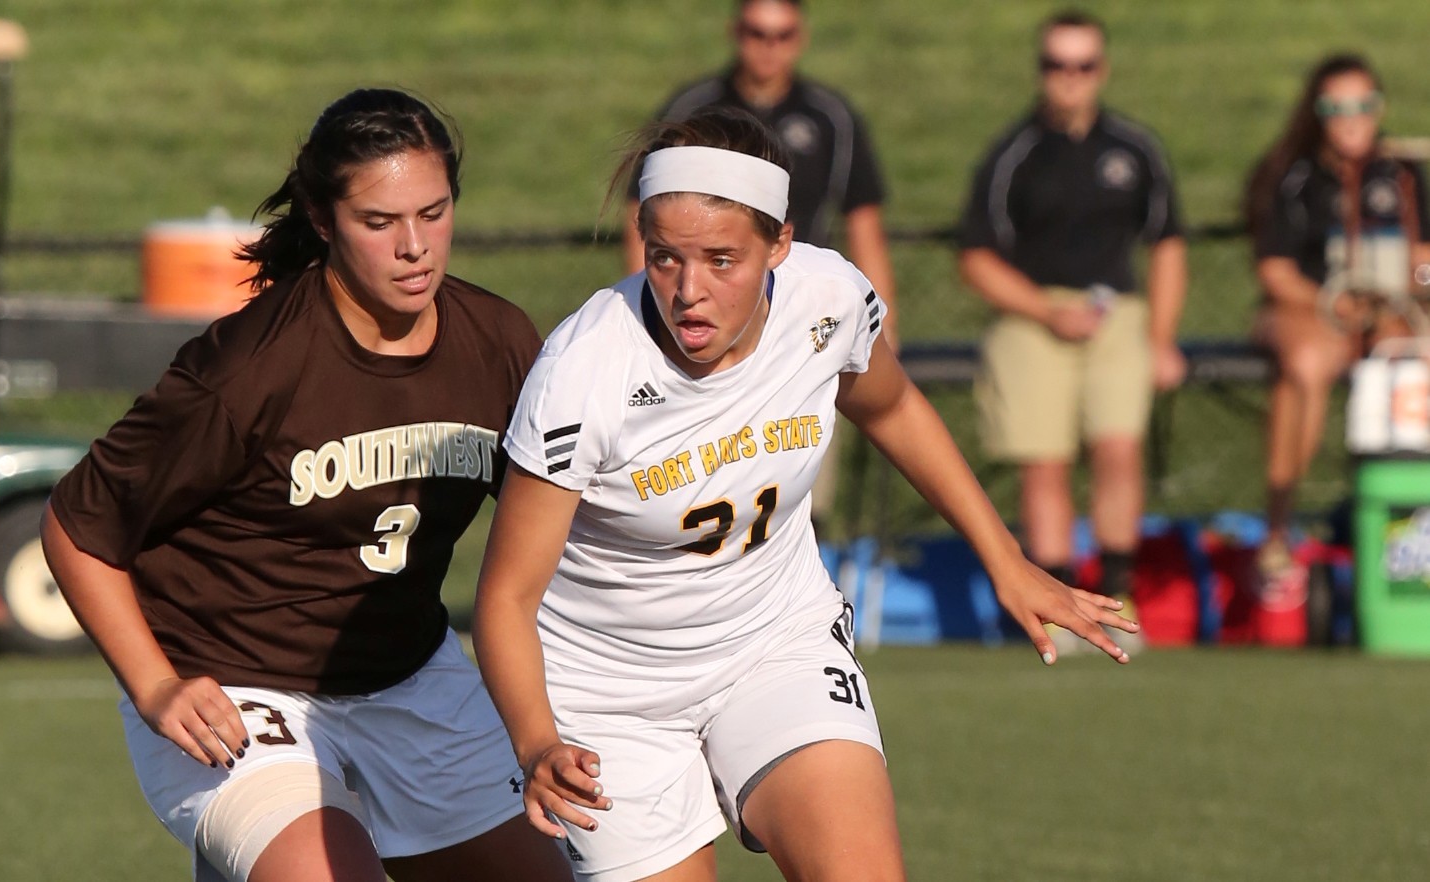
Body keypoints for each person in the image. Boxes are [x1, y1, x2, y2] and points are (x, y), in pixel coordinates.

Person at [473, 108, 1135, 882]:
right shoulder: (583, 372)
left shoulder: (825, 298)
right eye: (664, 258)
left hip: (772, 647)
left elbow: (889, 407)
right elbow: (507, 598)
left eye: (722, 259)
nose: (689, 290)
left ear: (779, 244)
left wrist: (1005, 558)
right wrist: (536, 743)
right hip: (609, 696)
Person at [40, 89, 572, 882]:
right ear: (323, 222)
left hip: (409, 675)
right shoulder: (250, 368)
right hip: (235, 688)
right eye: (379, 222)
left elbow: (566, 523)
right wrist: (156, 687)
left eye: (433, 213)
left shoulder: (496, 340)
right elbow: (78, 529)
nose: (415, 247)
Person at [956, 11, 1187, 649]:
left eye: (1083, 66)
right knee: (1046, 463)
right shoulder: (1013, 155)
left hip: (1117, 313)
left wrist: (1162, 338)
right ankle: (1057, 602)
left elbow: (1166, 247)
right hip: (1035, 314)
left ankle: (1116, 596)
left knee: (1118, 449)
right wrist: (1043, 310)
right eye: (1057, 66)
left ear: (1101, 71)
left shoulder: (1135, 149)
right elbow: (976, 257)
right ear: (1041, 72)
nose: (1070, 80)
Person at [623, 0, 896, 532]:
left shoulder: (830, 117)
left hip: (800, 324)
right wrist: (655, 303)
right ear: (735, 32)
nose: (768, 46)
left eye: (782, 34)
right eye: (756, 32)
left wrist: (883, 327)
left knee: (800, 495)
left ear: (801, 37)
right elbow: (646, 216)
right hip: (707, 322)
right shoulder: (694, 107)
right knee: (701, 487)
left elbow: (864, 224)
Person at [1243, 53, 1430, 596]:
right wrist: (1336, 301)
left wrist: (1406, 284)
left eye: (1363, 106)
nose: (1351, 118)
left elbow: (1422, 257)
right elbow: (1276, 272)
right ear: (1318, 112)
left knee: (1411, 358)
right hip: (1308, 311)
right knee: (1305, 365)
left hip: (1388, 313)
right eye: (1337, 106)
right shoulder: (1293, 177)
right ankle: (1279, 530)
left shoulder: (1401, 174)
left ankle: (1403, 511)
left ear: (1379, 109)